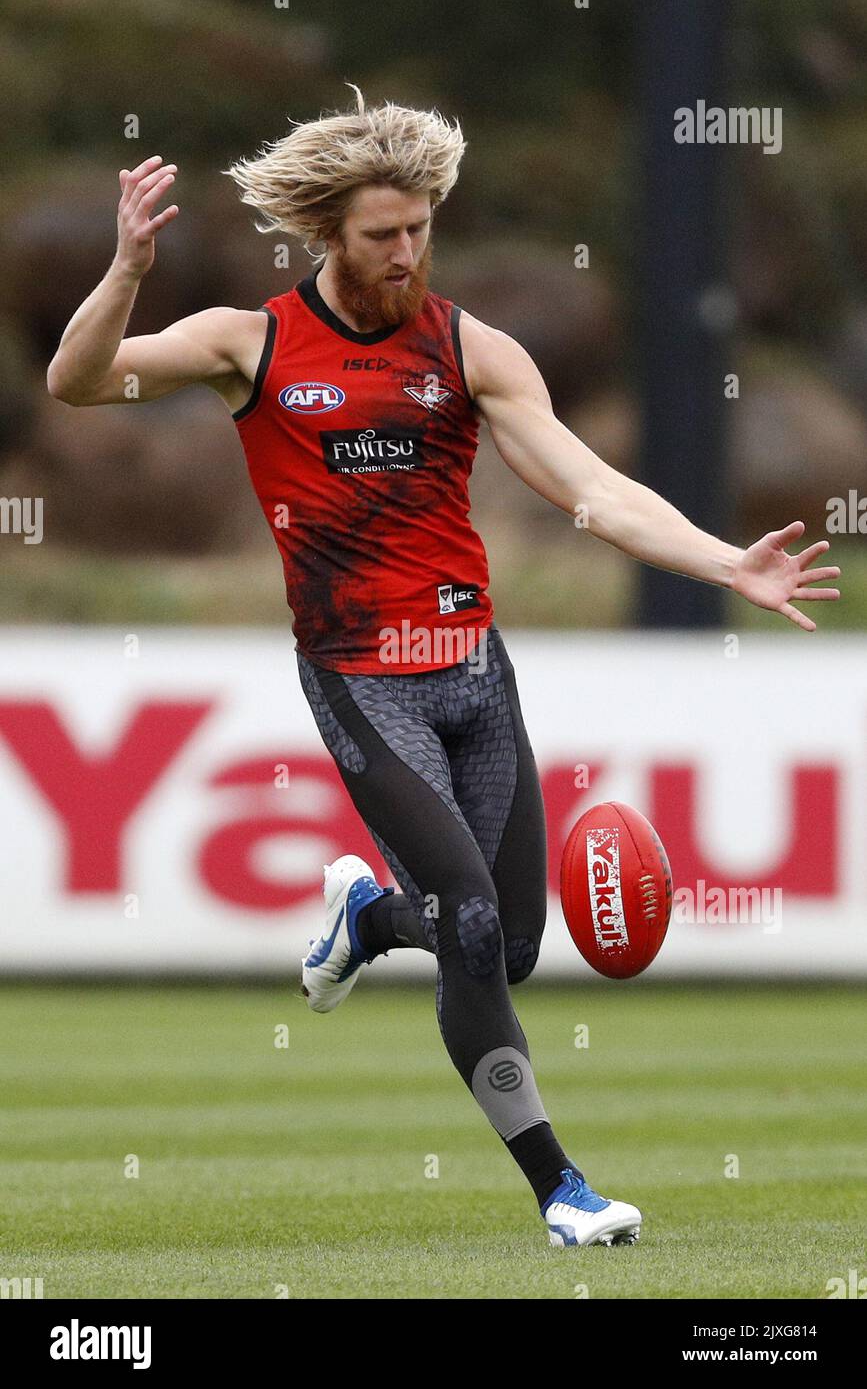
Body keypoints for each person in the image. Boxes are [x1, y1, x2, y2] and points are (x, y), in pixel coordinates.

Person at [46, 87, 840, 1249]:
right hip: (361, 677)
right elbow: (76, 380)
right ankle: (564, 1191)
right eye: (383, 235)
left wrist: (732, 565)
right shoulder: (247, 343)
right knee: (469, 921)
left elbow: (595, 492)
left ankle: (367, 917)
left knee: (509, 946)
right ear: (330, 234)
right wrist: (123, 269)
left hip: (474, 668)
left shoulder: (472, 349)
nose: (408, 252)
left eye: (421, 228)